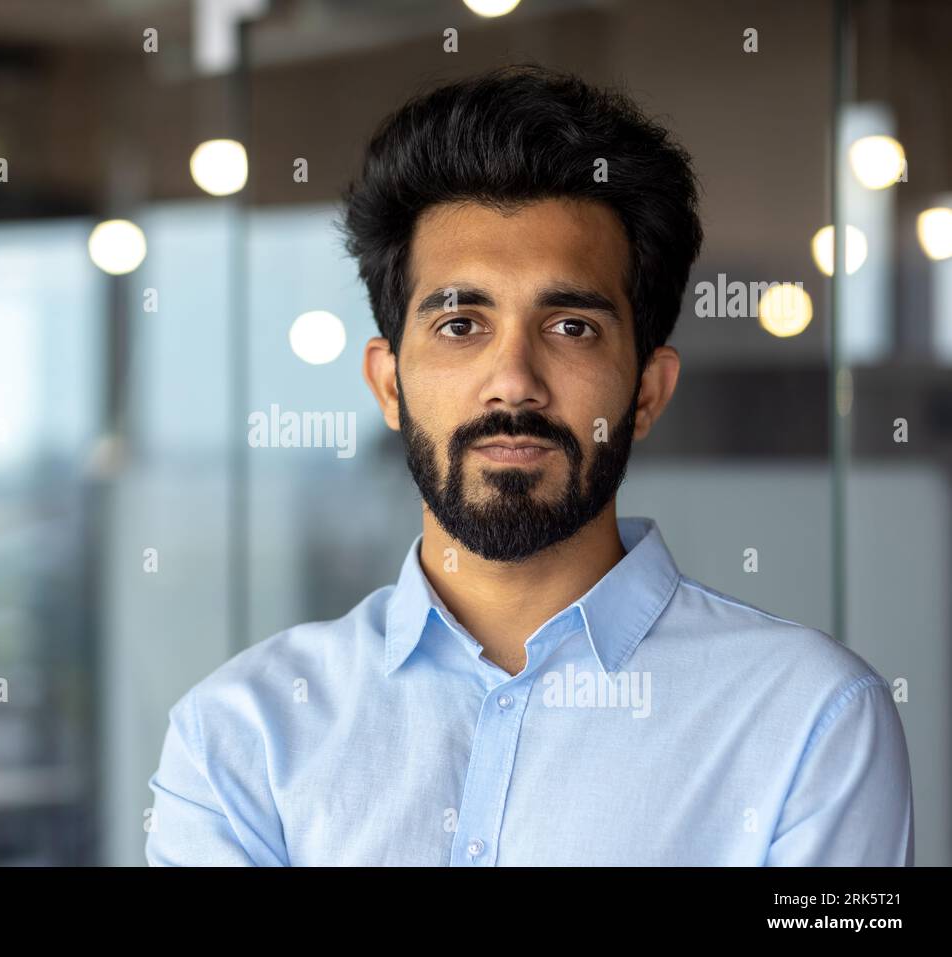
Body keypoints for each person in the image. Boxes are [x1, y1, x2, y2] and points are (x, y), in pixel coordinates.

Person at [145, 64, 914, 866]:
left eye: (572, 326)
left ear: (648, 391)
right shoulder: (238, 736)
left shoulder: (811, 721)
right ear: (387, 383)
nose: (513, 379)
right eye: (460, 324)